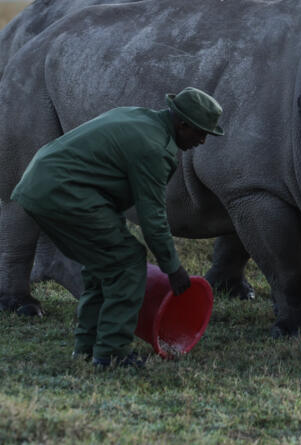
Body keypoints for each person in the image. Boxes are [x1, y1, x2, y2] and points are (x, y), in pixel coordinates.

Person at [11, 87, 224, 369]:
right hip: (62, 191)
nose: (202, 140)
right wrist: (173, 268)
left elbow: (106, 176)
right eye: (200, 132)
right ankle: (111, 352)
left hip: (41, 183)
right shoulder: (155, 149)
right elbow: (153, 217)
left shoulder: (141, 118)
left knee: (103, 265)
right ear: (182, 124)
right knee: (126, 261)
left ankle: (87, 348)